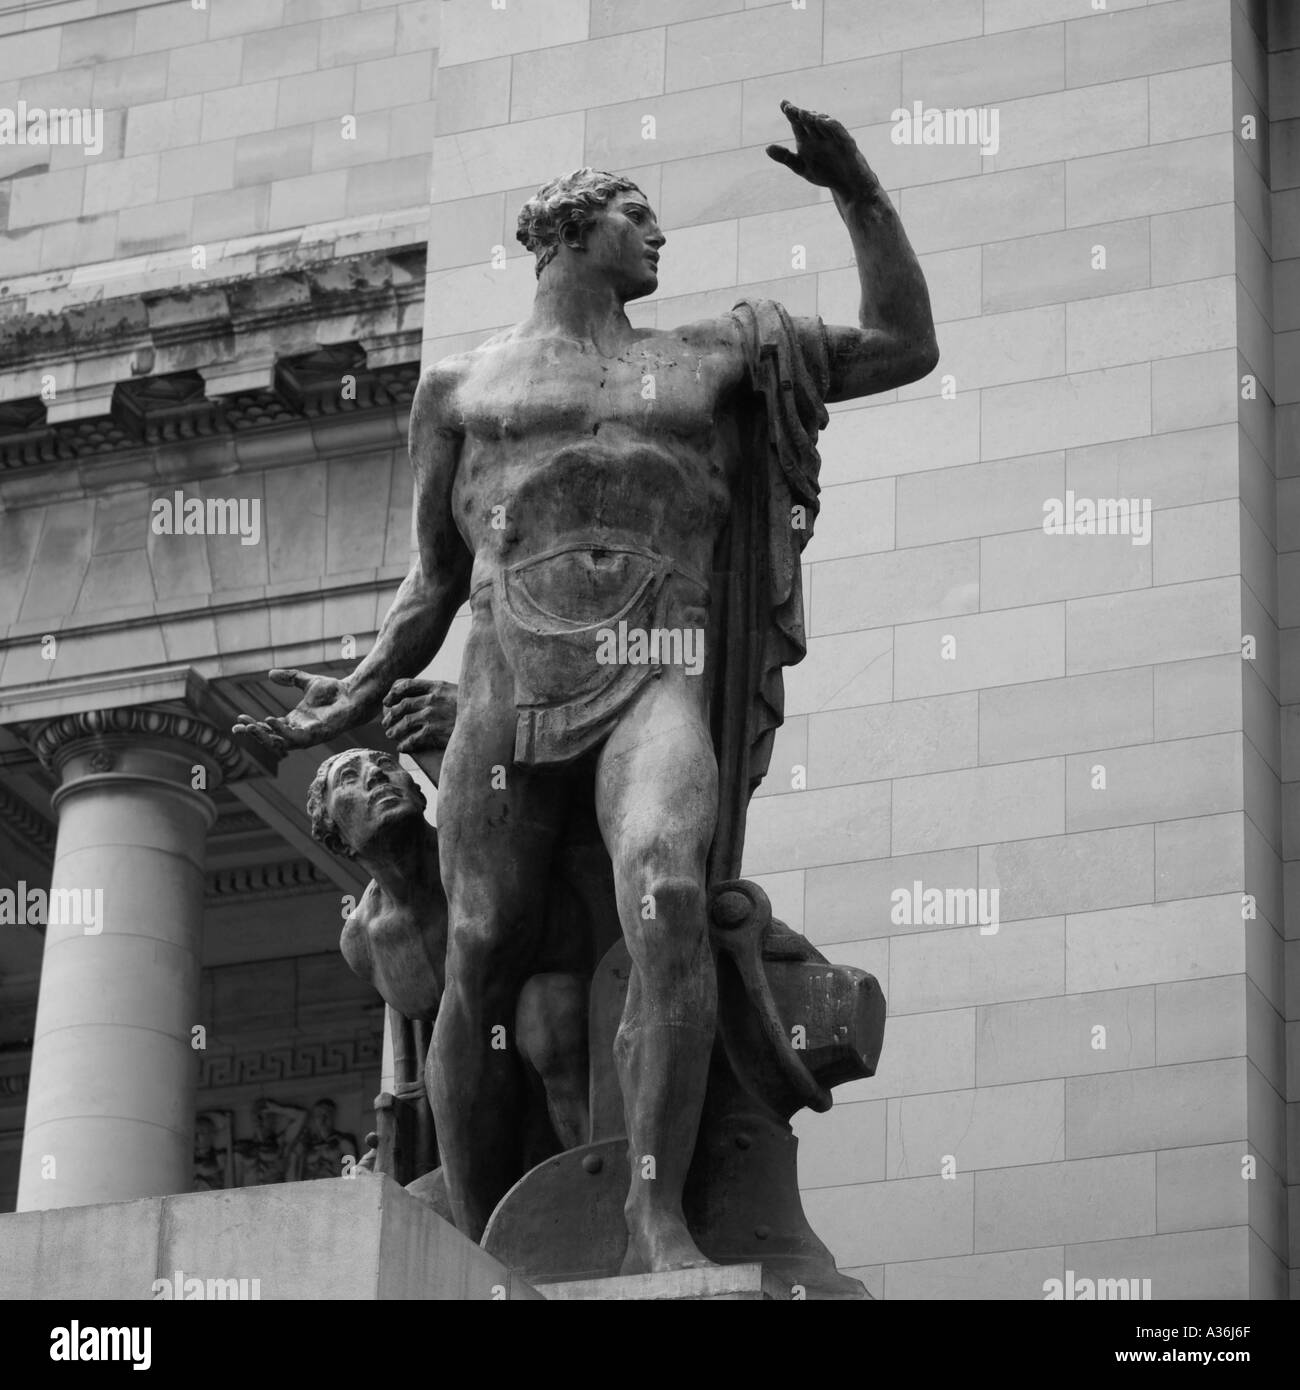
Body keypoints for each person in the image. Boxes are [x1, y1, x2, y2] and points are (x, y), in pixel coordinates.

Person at [236, 102, 937, 1273]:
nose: (657, 238)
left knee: (664, 890)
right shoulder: (460, 390)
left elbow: (903, 344)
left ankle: (649, 1213)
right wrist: (341, 703)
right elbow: (434, 583)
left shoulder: (712, 358)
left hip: (658, 667)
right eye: (636, 216)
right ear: (567, 230)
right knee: (479, 947)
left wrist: (857, 189)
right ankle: (472, 1232)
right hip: (509, 675)